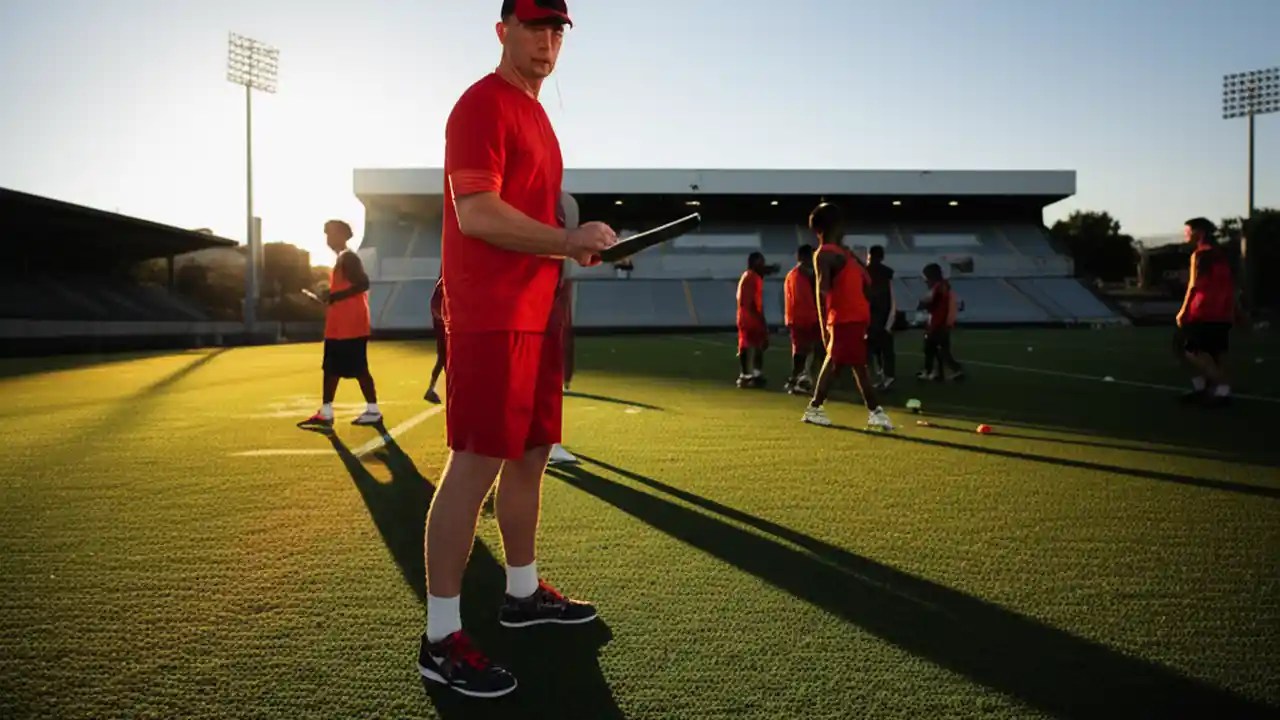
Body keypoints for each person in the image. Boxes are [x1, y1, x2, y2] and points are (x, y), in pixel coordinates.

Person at [417, 0, 616, 699]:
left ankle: (522, 594)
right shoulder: (481, 104)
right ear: (503, 31)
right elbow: (475, 212)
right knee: (473, 466)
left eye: (557, 28)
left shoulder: (539, 114)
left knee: (531, 454)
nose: (548, 39)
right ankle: (441, 637)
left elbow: (532, 218)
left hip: (536, 311)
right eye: (535, 26)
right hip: (490, 314)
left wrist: (575, 242)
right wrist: (567, 240)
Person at [801, 203, 895, 430]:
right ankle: (871, 411)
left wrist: (851, 254)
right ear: (833, 225)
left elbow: (867, 280)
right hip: (844, 319)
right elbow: (821, 293)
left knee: (854, 365)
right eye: (841, 222)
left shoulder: (844, 253)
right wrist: (824, 327)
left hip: (855, 317)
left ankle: (869, 411)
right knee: (845, 364)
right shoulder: (824, 255)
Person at [297, 220, 382, 430]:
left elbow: (363, 283)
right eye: (326, 234)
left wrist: (334, 295)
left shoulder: (349, 258)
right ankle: (326, 412)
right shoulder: (343, 259)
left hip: (350, 326)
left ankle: (373, 411)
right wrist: (329, 297)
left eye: (330, 234)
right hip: (340, 326)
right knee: (331, 369)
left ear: (342, 236)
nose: (327, 239)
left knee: (359, 368)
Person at [1175, 217, 1238, 405]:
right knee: (1215, 352)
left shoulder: (1200, 255)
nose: (1186, 234)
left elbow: (1194, 286)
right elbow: (1232, 285)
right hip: (1222, 312)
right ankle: (1212, 390)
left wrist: (1183, 310)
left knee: (1187, 349)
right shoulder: (1224, 255)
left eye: (1188, 230)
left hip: (1202, 311)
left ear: (1199, 232)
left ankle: (1219, 388)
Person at [916, 263, 964, 382]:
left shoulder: (939, 287)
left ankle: (953, 370)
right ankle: (936, 372)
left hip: (939, 324)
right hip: (938, 323)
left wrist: (924, 304)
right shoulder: (941, 287)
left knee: (937, 350)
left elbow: (932, 303)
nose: (925, 280)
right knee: (933, 349)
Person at [783, 244, 821, 395]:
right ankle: (801, 379)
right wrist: (816, 317)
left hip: (799, 318)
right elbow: (803, 300)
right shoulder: (798, 276)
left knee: (801, 350)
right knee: (806, 349)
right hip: (804, 319)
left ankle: (796, 378)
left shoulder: (798, 275)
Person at [865, 245, 897, 390]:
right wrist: (889, 323)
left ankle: (874, 377)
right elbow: (892, 298)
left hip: (868, 318)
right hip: (883, 316)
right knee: (886, 349)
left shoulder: (863, 272)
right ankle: (887, 377)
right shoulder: (887, 273)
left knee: (869, 351)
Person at [736, 251, 769, 388]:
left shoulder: (745, 276)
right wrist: (762, 320)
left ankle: (745, 375)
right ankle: (756, 374)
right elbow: (756, 303)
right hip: (752, 317)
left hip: (742, 316)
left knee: (745, 344)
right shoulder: (755, 278)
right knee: (759, 344)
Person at [424, 277, 446, 404]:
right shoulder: (443, 283)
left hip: (444, 325)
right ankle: (431, 389)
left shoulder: (443, 283)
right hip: (445, 326)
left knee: (444, 358)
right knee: (445, 358)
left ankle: (432, 389)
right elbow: (435, 306)